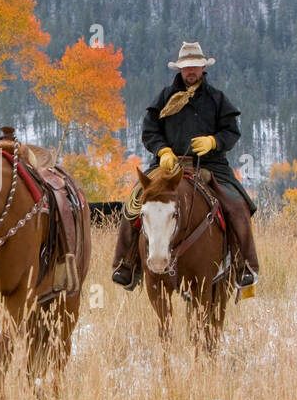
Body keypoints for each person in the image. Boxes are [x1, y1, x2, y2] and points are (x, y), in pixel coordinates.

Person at [111, 40, 260, 290]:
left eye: (195, 66)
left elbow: (232, 132)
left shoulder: (217, 99)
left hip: (210, 165)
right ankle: (126, 264)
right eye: (186, 67)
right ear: (179, 69)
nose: (191, 71)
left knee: (237, 205)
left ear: (203, 67)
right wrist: (163, 150)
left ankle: (244, 265)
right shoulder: (165, 97)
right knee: (134, 202)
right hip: (168, 166)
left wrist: (214, 141)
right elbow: (149, 131)